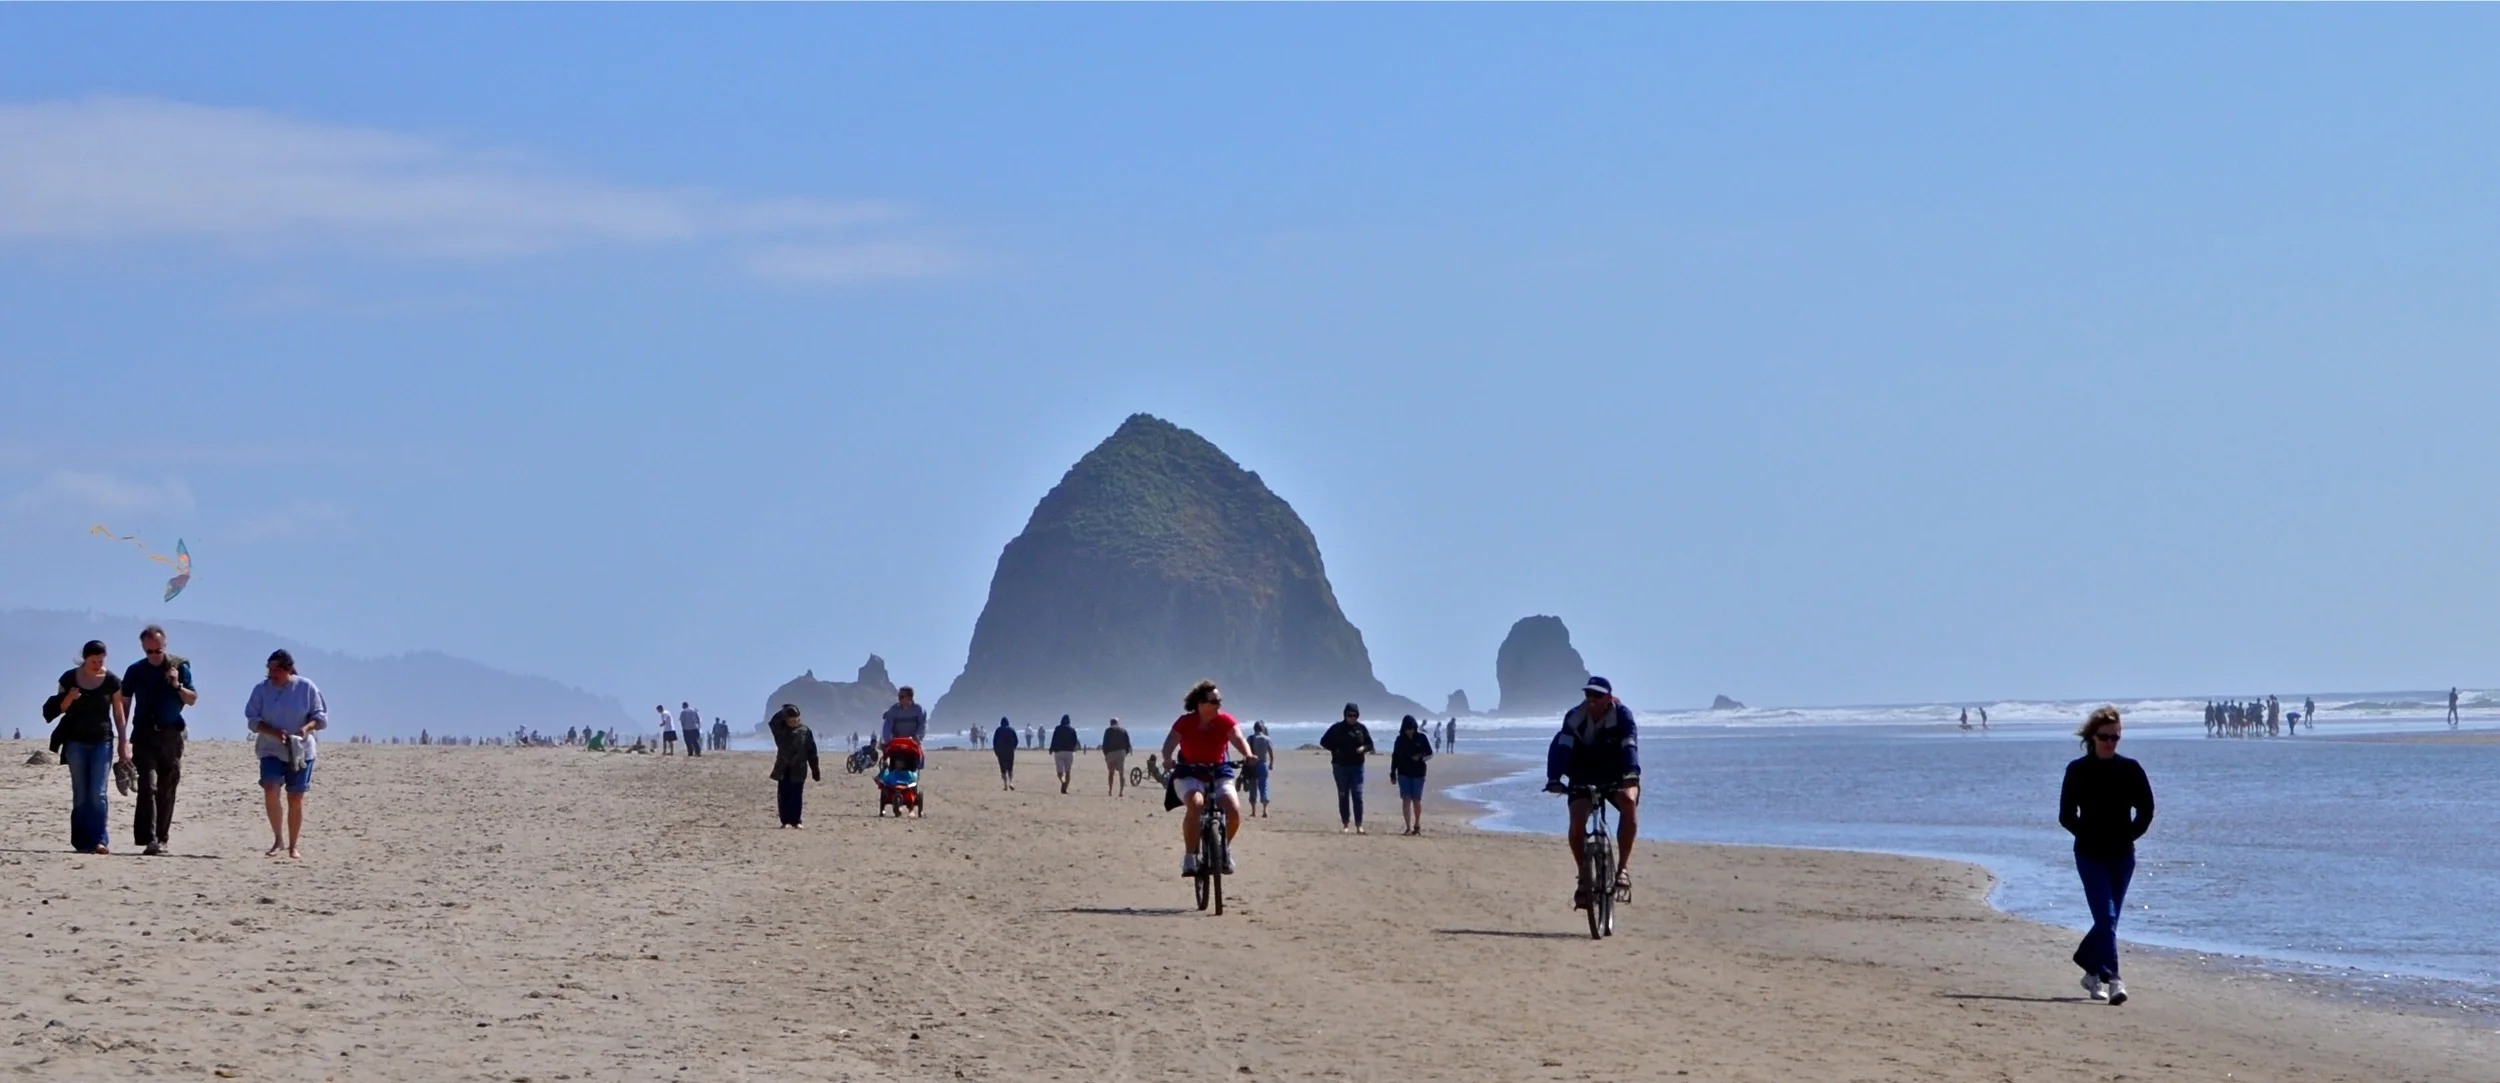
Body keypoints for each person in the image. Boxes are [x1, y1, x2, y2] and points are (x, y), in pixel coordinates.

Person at [2060, 706, 2154, 1006]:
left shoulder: (2130, 769)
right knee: (2107, 916)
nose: (2111, 743)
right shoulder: (2077, 771)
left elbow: (2147, 810)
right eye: (2105, 737)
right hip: (2089, 856)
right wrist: (2086, 834)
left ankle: (2090, 972)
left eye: (2116, 737)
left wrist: (2129, 835)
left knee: (2108, 923)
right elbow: (2065, 815)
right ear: (2092, 737)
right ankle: (2114, 980)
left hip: (2122, 856)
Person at [1543, 676, 1641, 911]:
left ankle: (1622, 869)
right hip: (1584, 773)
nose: (1591, 700)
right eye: (1588, 695)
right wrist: (1554, 779)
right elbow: (1561, 747)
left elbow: (1630, 745)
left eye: (1597, 696)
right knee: (1577, 821)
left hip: (1618, 772)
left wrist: (1632, 772)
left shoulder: (1622, 715)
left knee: (1628, 801)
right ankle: (1584, 876)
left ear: (1609, 698)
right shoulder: (1574, 717)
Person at [1161, 680, 1254, 876]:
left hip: (1219, 772)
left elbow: (1237, 737)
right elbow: (1170, 742)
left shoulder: (1225, 720)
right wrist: (1167, 758)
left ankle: (1223, 849)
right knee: (1195, 804)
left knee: (1234, 811)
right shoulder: (1185, 722)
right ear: (1201, 704)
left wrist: (1248, 754)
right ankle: (1189, 856)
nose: (1219, 705)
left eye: (1220, 701)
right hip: (1189, 772)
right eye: (1214, 701)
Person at [49, 640, 130, 854]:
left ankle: (99, 840)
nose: (97, 665)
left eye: (101, 660)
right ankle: (81, 841)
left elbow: (119, 714)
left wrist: (123, 742)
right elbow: (59, 708)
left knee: (98, 792)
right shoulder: (68, 678)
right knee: (81, 792)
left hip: (102, 740)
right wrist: (69, 697)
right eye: (93, 661)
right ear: (85, 658)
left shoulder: (112, 681)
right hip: (75, 741)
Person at [246, 649, 327, 859]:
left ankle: (293, 845)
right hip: (270, 748)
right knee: (271, 788)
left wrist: (306, 729)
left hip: (301, 749)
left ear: (288, 669)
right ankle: (277, 840)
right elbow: (252, 719)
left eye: (277, 669)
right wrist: (272, 731)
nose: (272, 674)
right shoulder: (261, 690)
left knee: (295, 796)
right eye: (270, 669)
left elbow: (320, 717)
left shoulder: (306, 687)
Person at [123, 624, 196, 856]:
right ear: (143, 649)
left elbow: (192, 699)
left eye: (158, 650)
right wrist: (121, 735)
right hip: (143, 734)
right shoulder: (135, 671)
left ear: (165, 646)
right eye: (149, 651)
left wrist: (177, 685)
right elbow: (124, 702)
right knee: (148, 786)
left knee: (167, 787)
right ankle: (149, 838)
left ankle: (162, 838)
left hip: (170, 735)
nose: (154, 655)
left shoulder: (179, 667)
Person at [1320, 703, 1377, 834]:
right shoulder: (1337, 728)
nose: (1352, 718)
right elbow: (1323, 741)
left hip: (1357, 766)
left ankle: (1359, 825)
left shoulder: (1361, 728)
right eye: (1349, 715)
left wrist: (1363, 748)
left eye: (1355, 715)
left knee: (1357, 795)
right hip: (1340, 766)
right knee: (1343, 795)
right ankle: (1345, 824)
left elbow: (1370, 744)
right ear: (1345, 715)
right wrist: (1336, 749)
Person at [769, 705, 821, 828]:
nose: (794, 722)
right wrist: (784, 711)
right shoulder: (779, 730)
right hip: (783, 766)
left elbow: (812, 751)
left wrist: (815, 770)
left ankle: (796, 821)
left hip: (800, 767)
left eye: (796, 719)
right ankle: (785, 821)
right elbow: (772, 722)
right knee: (784, 794)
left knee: (796, 794)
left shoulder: (805, 731)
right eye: (790, 720)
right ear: (786, 719)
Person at [1390, 715, 1433, 836]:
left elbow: (1430, 753)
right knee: (1405, 800)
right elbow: (1395, 757)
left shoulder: (1422, 738)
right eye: (1407, 729)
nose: (1410, 731)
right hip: (1403, 773)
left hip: (1419, 773)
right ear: (1403, 729)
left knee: (1416, 800)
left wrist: (1420, 757)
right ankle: (1408, 827)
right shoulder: (1399, 740)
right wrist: (1392, 773)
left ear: (1415, 728)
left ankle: (1417, 824)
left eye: (1412, 729)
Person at [1243, 721, 1275, 818]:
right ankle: (1265, 810)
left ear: (1254, 728)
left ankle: (1253, 812)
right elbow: (1271, 753)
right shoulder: (1267, 739)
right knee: (1263, 786)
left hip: (1252, 765)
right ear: (1262, 729)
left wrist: (1245, 764)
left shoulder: (1250, 738)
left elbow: (1246, 753)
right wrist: (1271, 764)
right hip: (1262, 764)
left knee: (1253, 787)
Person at [1049, 715, 1082, 794]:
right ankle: (1065, 788)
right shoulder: (1072, 730)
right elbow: (1075, 741)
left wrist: (1051, 749)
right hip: (1069, 752)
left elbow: (1054, 739)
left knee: (1059, 773)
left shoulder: (1057, 728)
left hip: (1059, 752)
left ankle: (1063, 781)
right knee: (1068, 772)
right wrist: (1075, 749)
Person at [1101, 718, 1133, 796]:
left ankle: (1110, 791)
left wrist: (1106, 754)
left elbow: (1104, 744)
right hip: (1121, 752)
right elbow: (1128, 744)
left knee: (1111, 773)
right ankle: (1121, 792)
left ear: (1111, 723)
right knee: (1121, 773)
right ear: (1117, 723)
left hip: (1111, 753)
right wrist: (1125, 753)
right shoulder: (1123, 730)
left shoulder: (1108, 730)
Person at [991, 717, 1018, 790]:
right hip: (1010, 751)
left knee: (1003, 769)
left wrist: (996, 751)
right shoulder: (1011, 729)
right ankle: (1011, 782)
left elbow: (994, 741)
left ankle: (1005, 785)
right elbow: (1016, 740)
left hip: (1001, 752)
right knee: (1010, 768)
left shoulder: (998, 730)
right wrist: (1013, 748)